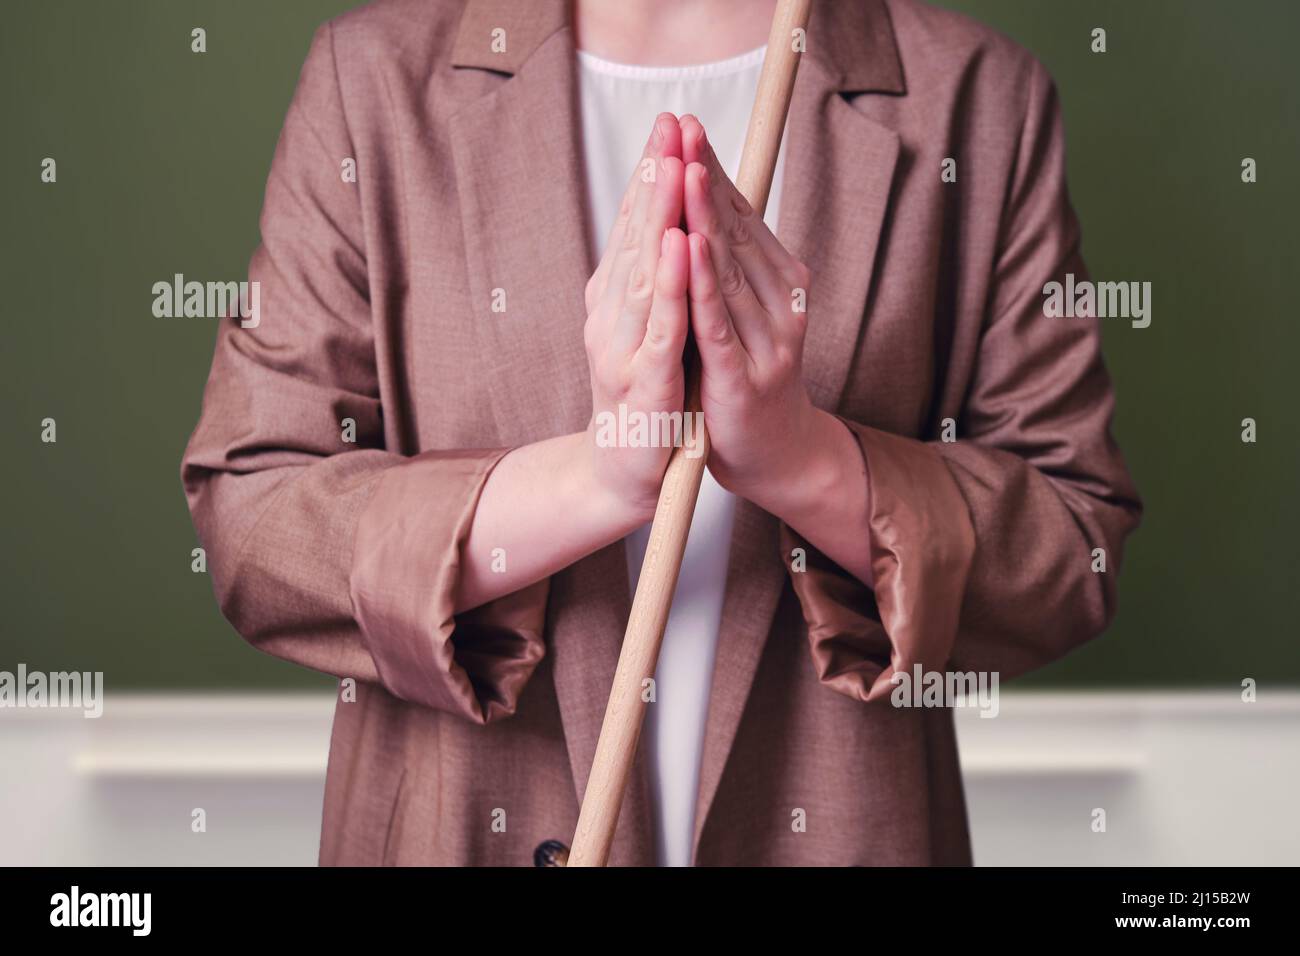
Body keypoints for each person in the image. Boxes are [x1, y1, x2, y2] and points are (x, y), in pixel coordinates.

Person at [182, 0, 1142, 866]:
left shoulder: (978, 92)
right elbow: (254, 515)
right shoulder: (371, 79)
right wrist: (599, 480)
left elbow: (1075, 539)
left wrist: (802, 459)